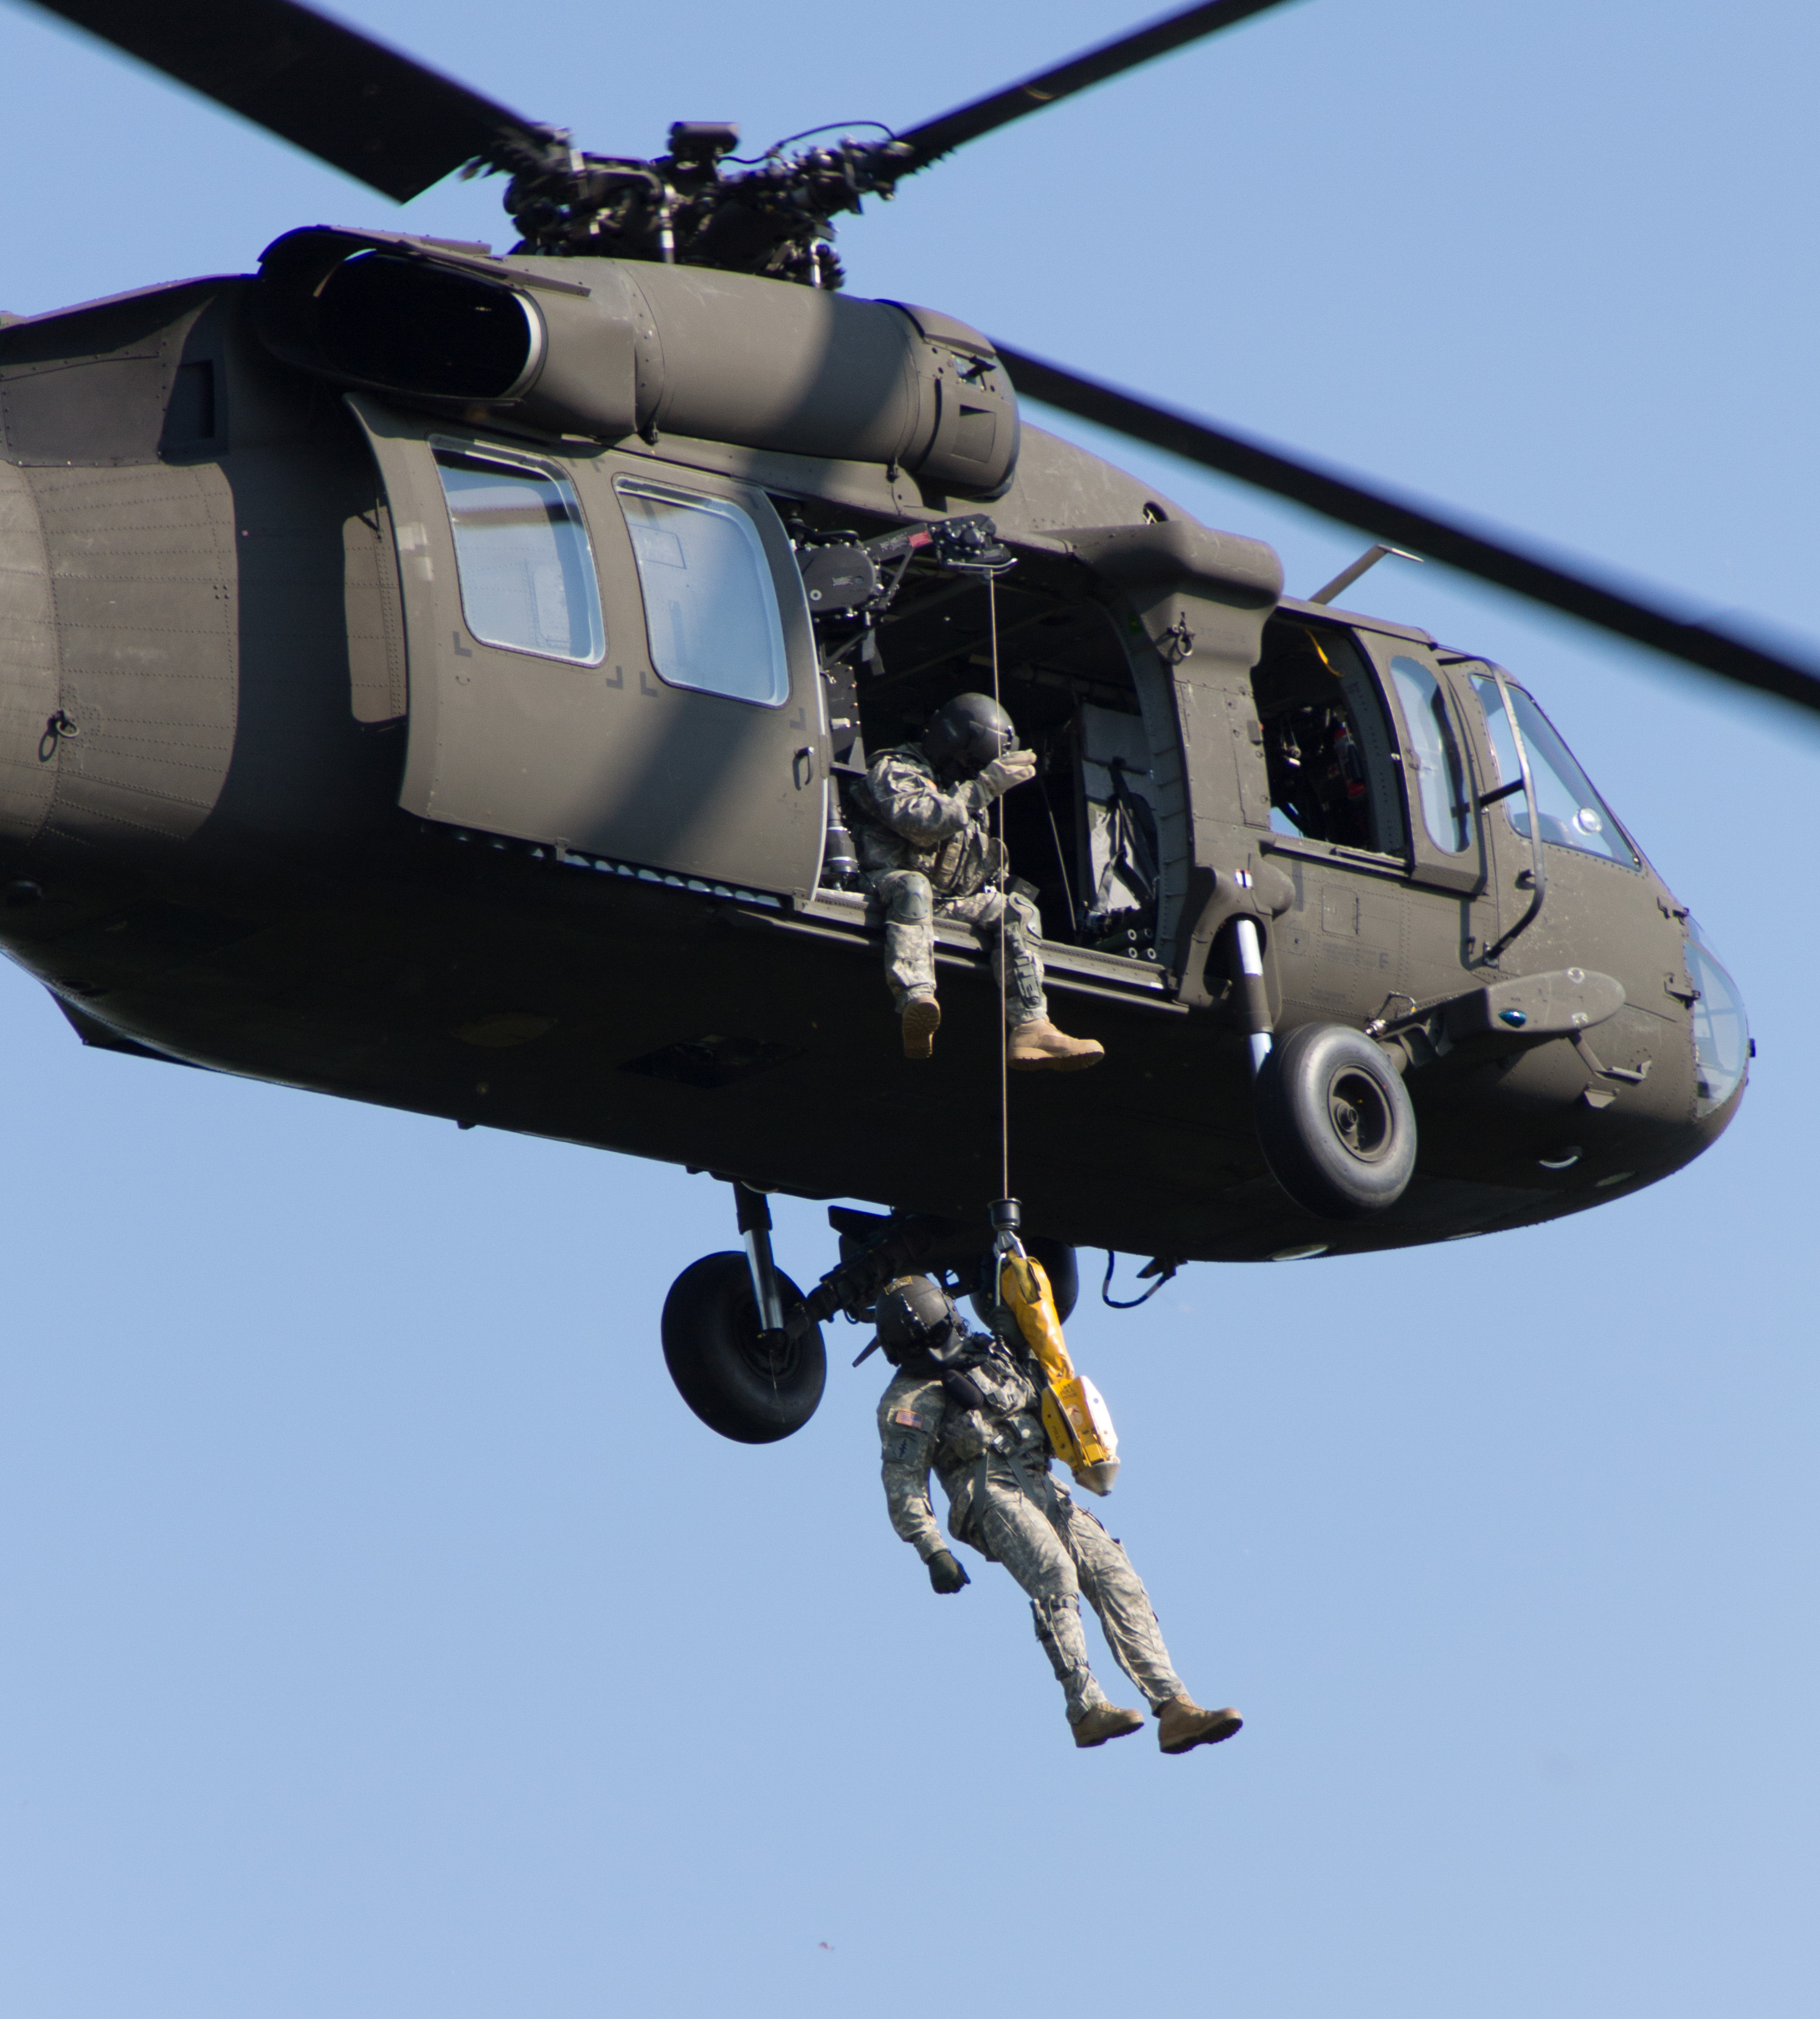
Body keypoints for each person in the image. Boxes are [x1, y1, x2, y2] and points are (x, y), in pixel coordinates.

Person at [873, 1272, 1242, 1753]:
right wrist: (931, 1549)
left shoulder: (994, 1355)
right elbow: (903, 1480)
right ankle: (1085, 1707)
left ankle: (1174, 1707)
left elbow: (1041, 1362)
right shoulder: (907, 1401)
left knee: (1114, 1575)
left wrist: (1011, 1289)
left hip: (1044, 1484)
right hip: (987, 1492)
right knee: (1054, 1573)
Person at [845, 693, 1104, 1068]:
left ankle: (1032, 1026)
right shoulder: (895, 769)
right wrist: (981, 789)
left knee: (1017, 911)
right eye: (970, 763)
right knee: (913, 886)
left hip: (945, 900)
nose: (972, 772)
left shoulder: (965, 791)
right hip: (882, 887)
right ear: (949, 744)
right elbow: (920, 824)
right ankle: (917, 999)